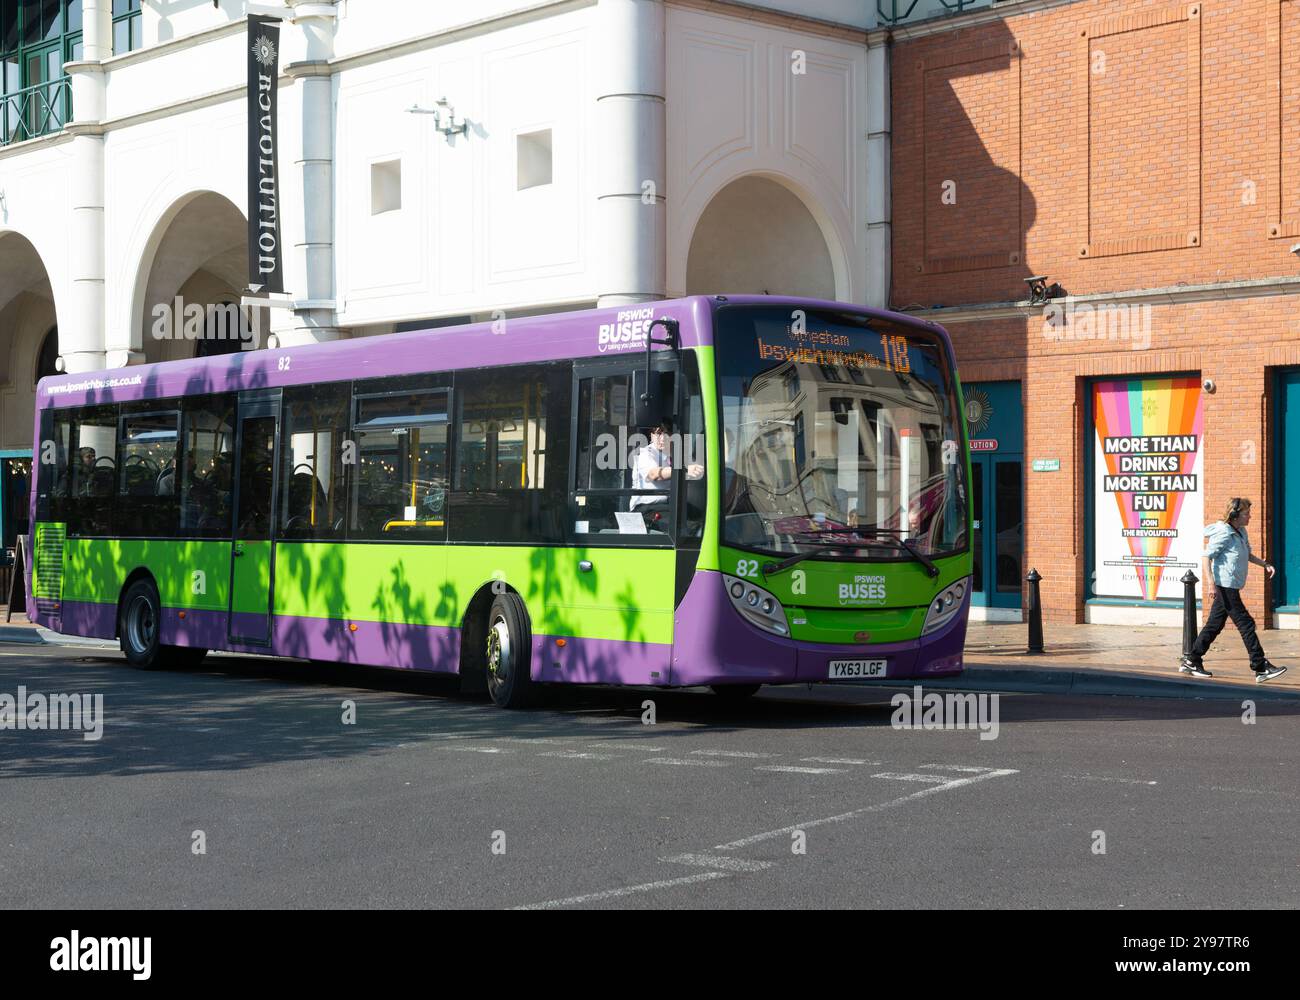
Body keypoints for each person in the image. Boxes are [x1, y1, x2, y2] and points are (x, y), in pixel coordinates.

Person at [1180, 497, 1287, 683]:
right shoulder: (1224, 533)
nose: (1250, 516)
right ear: (1235, 515)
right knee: (1246, 624)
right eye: (1246, 514)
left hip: (1231, 586)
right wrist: (1211, 584)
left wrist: (1265, 564)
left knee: (1214, 625)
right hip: (1224, 586)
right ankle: (1260, 667)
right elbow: (1206, 557)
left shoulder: (1241, 532)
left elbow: (1247, 554)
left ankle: (1192, 660)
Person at [630, 419, 704, 513]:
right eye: (658, 434)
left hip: (668, 505)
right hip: (645, 509)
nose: (662, 438)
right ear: (651, 435)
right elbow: (653, 474)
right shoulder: (645, 454)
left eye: (666, 434)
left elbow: (695, 467)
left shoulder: (676, 454)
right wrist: (684, 470)